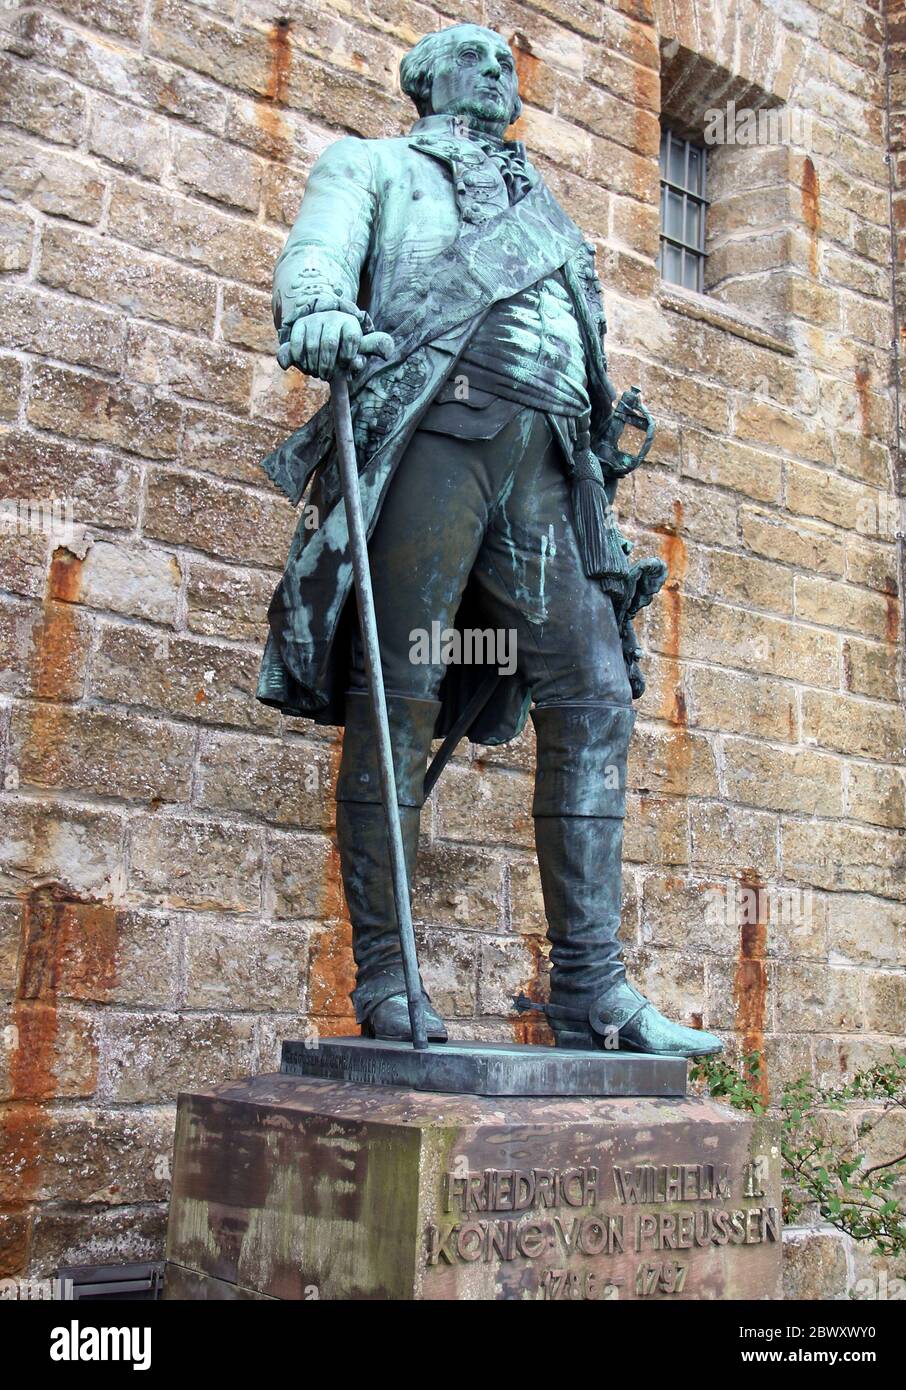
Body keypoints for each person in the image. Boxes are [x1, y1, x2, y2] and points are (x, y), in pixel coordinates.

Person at [257, 23, 722, 1058]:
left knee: (595, 693)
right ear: (428, 81)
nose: (500, 72)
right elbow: (314, 257)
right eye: (478, 58)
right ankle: (385, 973)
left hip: (550, 465)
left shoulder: (544, 213)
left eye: (508, 61)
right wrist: (322, 310)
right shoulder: (373, 164)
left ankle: (590, 987)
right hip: (434, 432)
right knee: (401, 693)